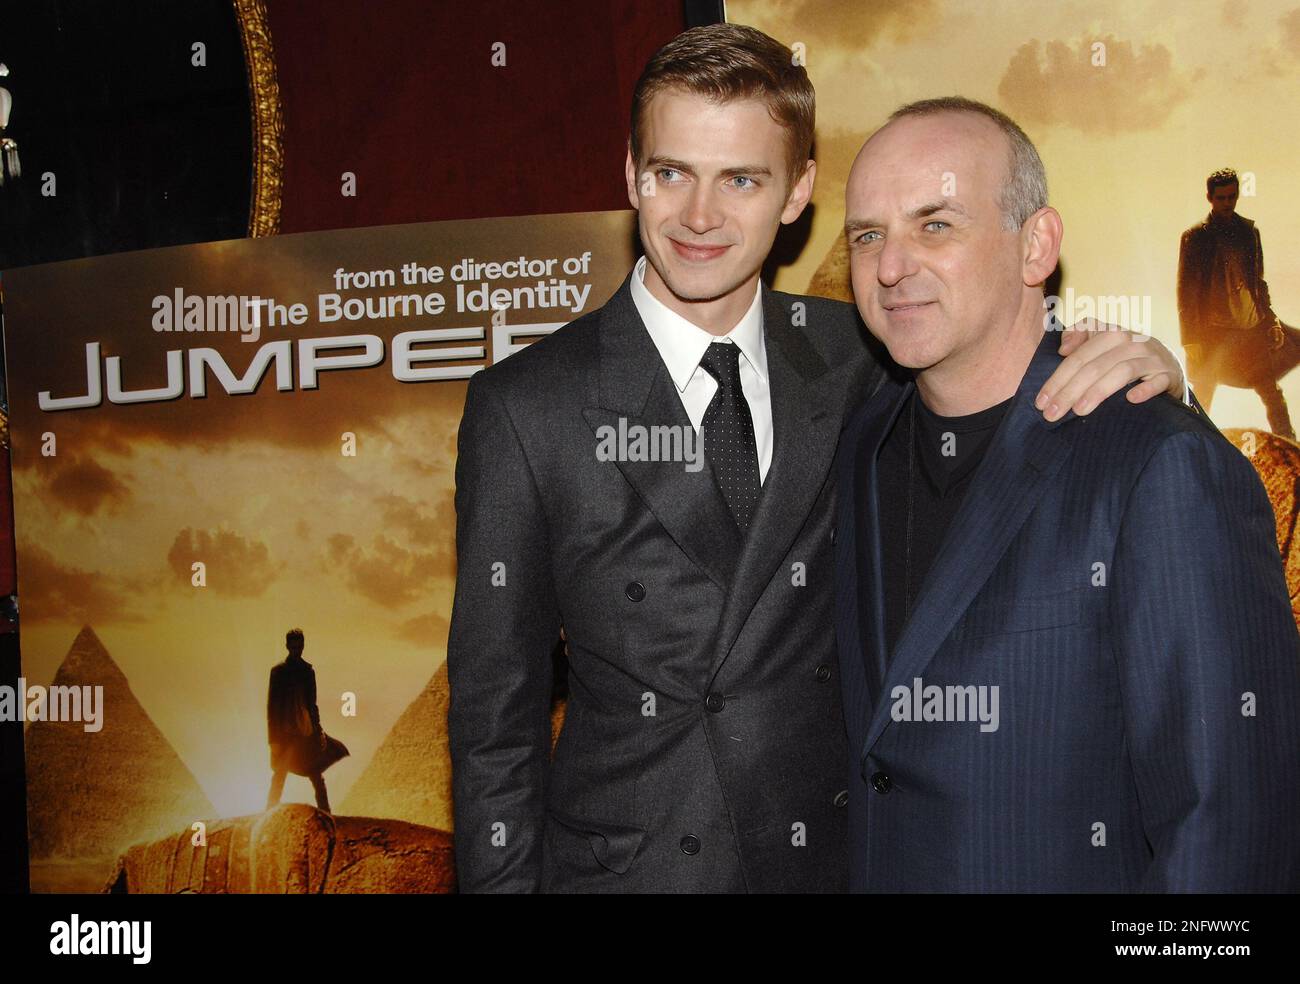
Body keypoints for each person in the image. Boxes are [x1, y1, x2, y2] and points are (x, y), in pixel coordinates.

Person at [447, 24, 1187, 893]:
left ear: (798, 192)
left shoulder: (863, 354)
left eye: (742, 180)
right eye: (672, 172)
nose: (699, 216)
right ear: (630, 176)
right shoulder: (527, 406)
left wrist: (1153, 377)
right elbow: (495, 721)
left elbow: (1009, 398)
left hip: (840, 863)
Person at [835, 96, 1300, 892]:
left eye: (935, 224)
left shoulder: (1161, 465)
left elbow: (1228, 838)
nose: (889, 265)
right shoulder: (857, 437)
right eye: (868, 233)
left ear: (1036, 244)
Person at [1178, 167, 1300, 439]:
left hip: (1250, 326)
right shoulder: (1196, 237)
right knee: (1202, 394)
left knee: (1270, 390)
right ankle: (1190, 443)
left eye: (1232, 197)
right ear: (1210, 197)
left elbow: (1258, 282)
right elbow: (1187, 291)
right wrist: (1190, 338)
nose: (1227, 203)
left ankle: (1288, 444)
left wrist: (1272, 322)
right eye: (1221, 198)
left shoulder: (1248, 231)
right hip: (1213, 331)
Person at [266, 627, 348, 814]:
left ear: (303, 646)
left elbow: (312, 704)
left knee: (316, 774)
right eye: (293, 646)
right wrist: (273, 740)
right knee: (280, 773)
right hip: (285, 733)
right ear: (287, 646)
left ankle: (326, 813)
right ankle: (268, 812)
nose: (297, 650)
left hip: (305, 731)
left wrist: (318, 730)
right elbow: (272, 708)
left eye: (299, 646)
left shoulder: (308, 671)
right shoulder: (278, 672)